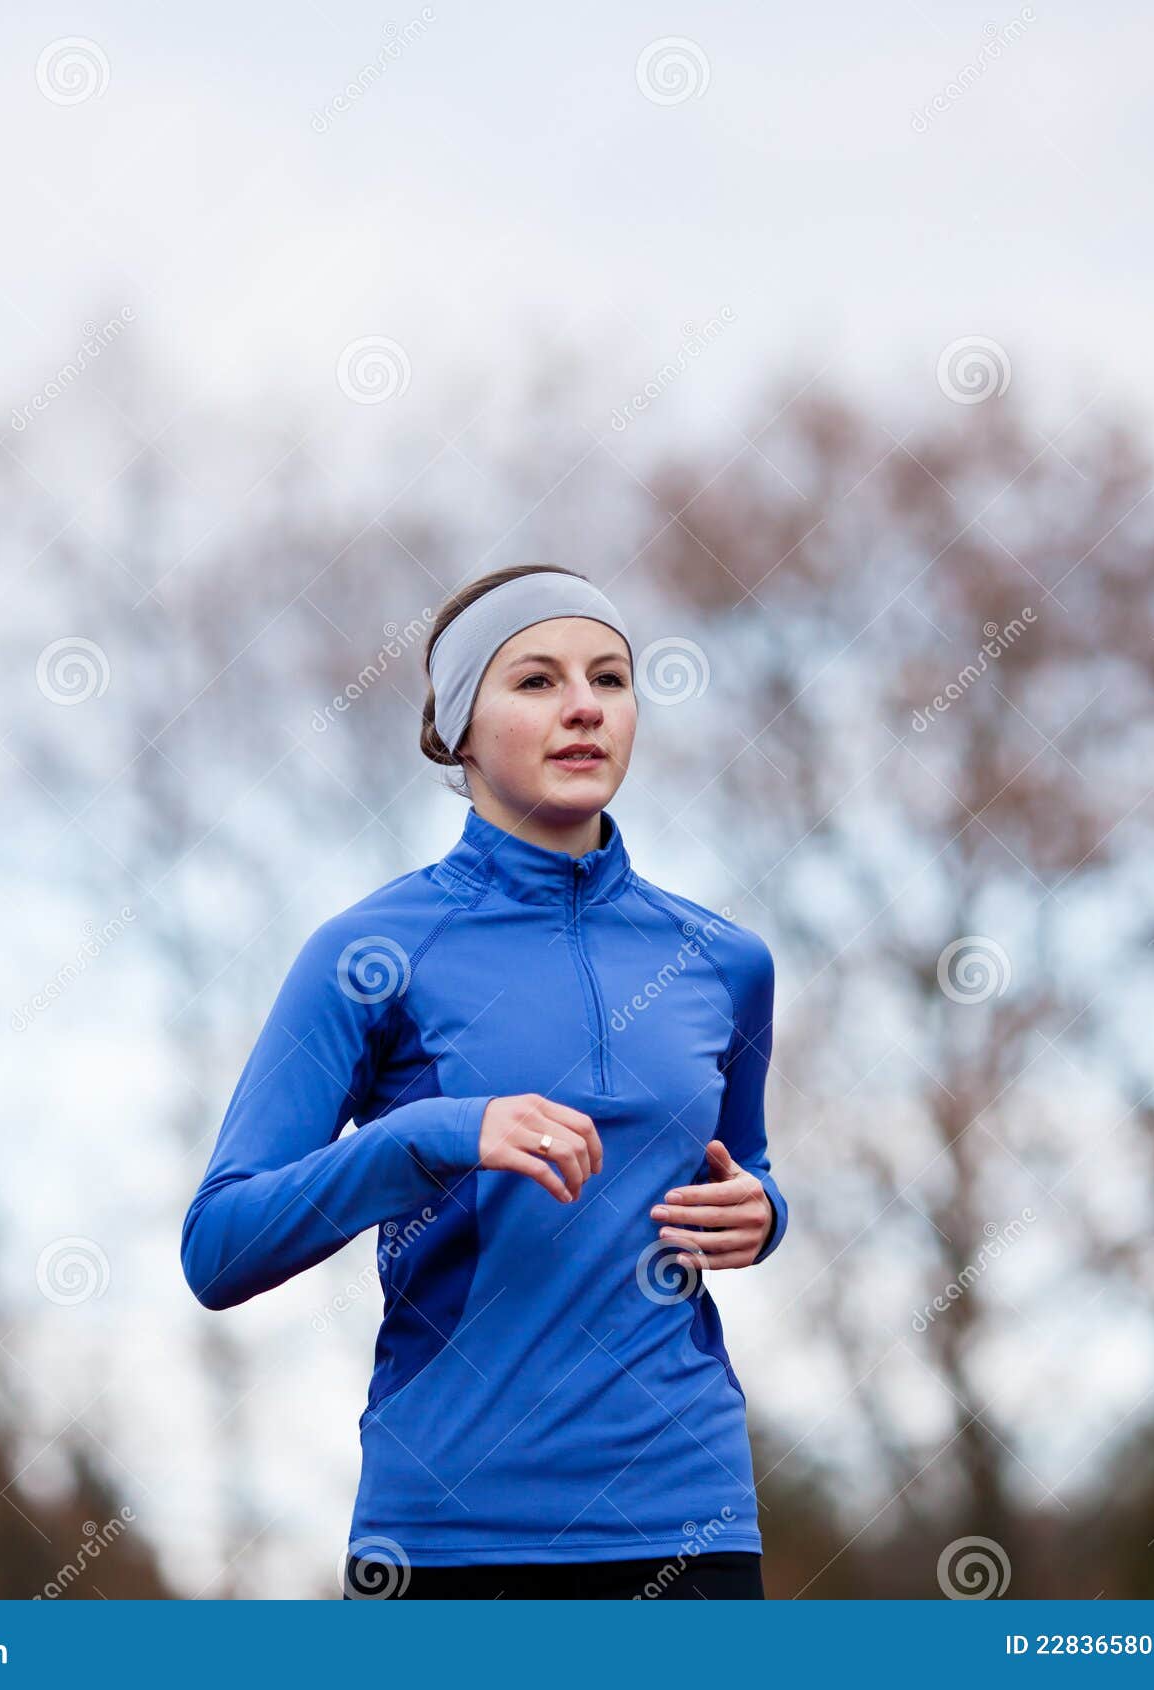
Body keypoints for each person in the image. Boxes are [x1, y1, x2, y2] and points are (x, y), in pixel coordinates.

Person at [180, 564, 788, 1600]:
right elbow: (220, 1246)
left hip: (691, 1515)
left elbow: (747, 1169)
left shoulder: (725, 961)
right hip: (451, 1530)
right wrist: (433, 1133)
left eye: (609, 678)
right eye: (537, 681)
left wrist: (761, 1213)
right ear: (458, 729)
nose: (585, 706)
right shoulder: (369, 953)